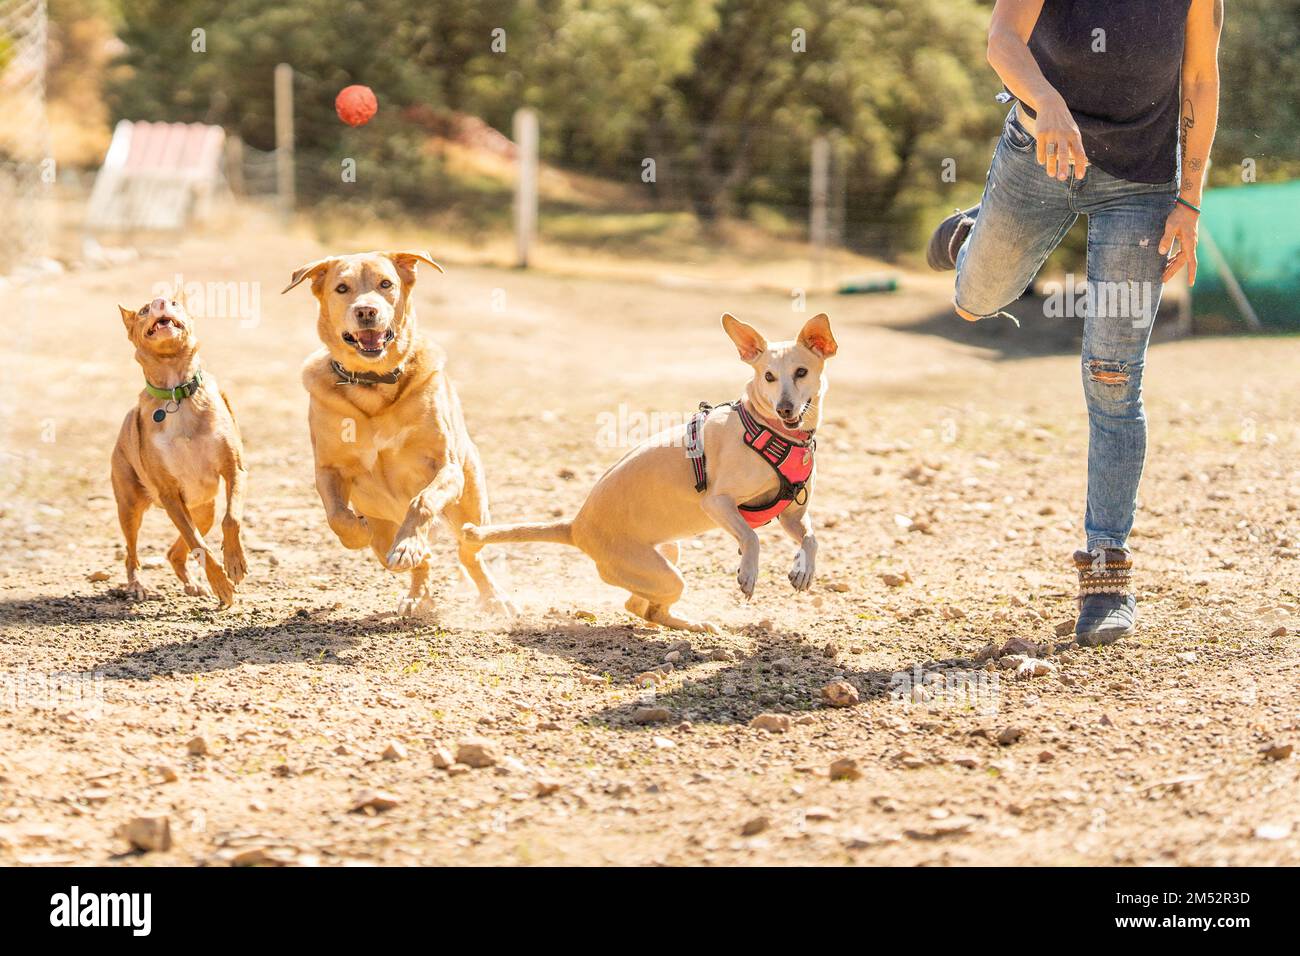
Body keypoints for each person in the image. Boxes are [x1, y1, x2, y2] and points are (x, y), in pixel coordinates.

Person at [927, 0, 1222, 644]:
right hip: (1038, 154)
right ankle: (969, 241)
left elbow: (1200, 80)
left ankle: (1107, 568)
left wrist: (1190, 199)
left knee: (1113, 376)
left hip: (1140, 187)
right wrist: (1047, 102)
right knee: (976, 300)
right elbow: (1003, 38)